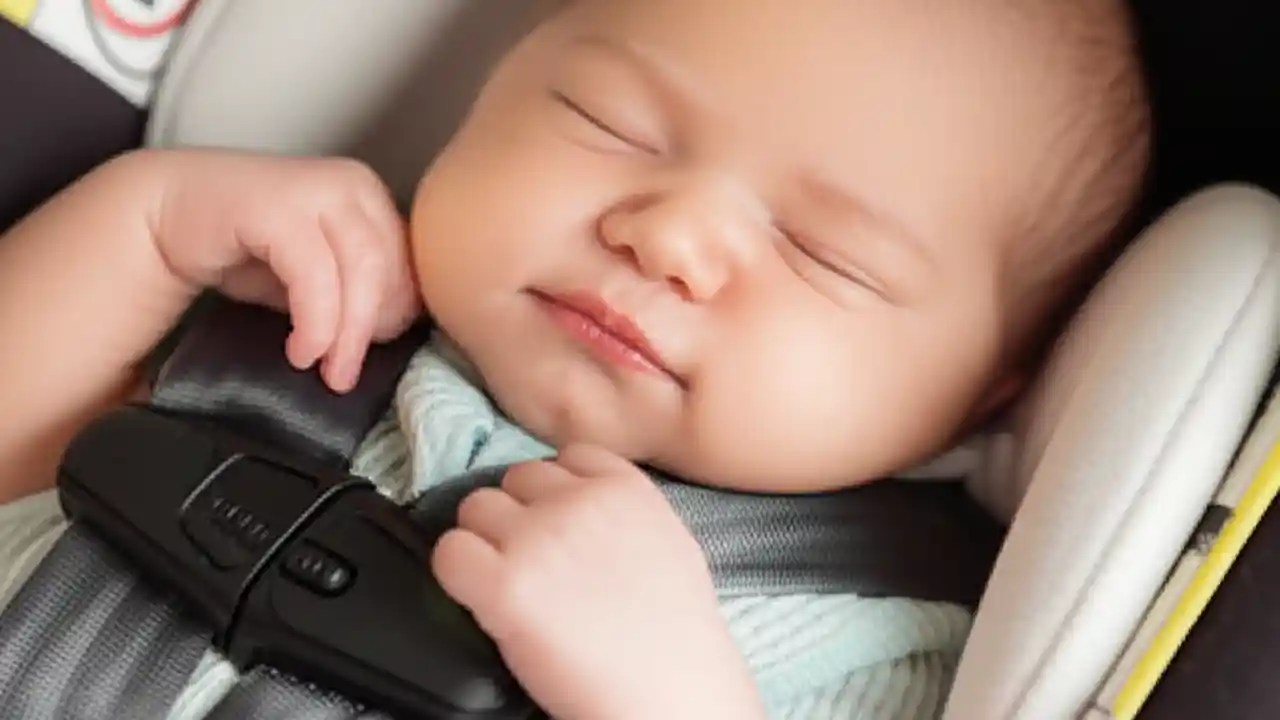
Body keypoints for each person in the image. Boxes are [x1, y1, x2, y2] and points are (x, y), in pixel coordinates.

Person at [0, 0, 1151, 717]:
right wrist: (143, 228)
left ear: (984, 394)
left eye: (823, 255)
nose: (668, 237)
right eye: (608, 122)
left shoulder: (873, 636)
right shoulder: (281, 316)